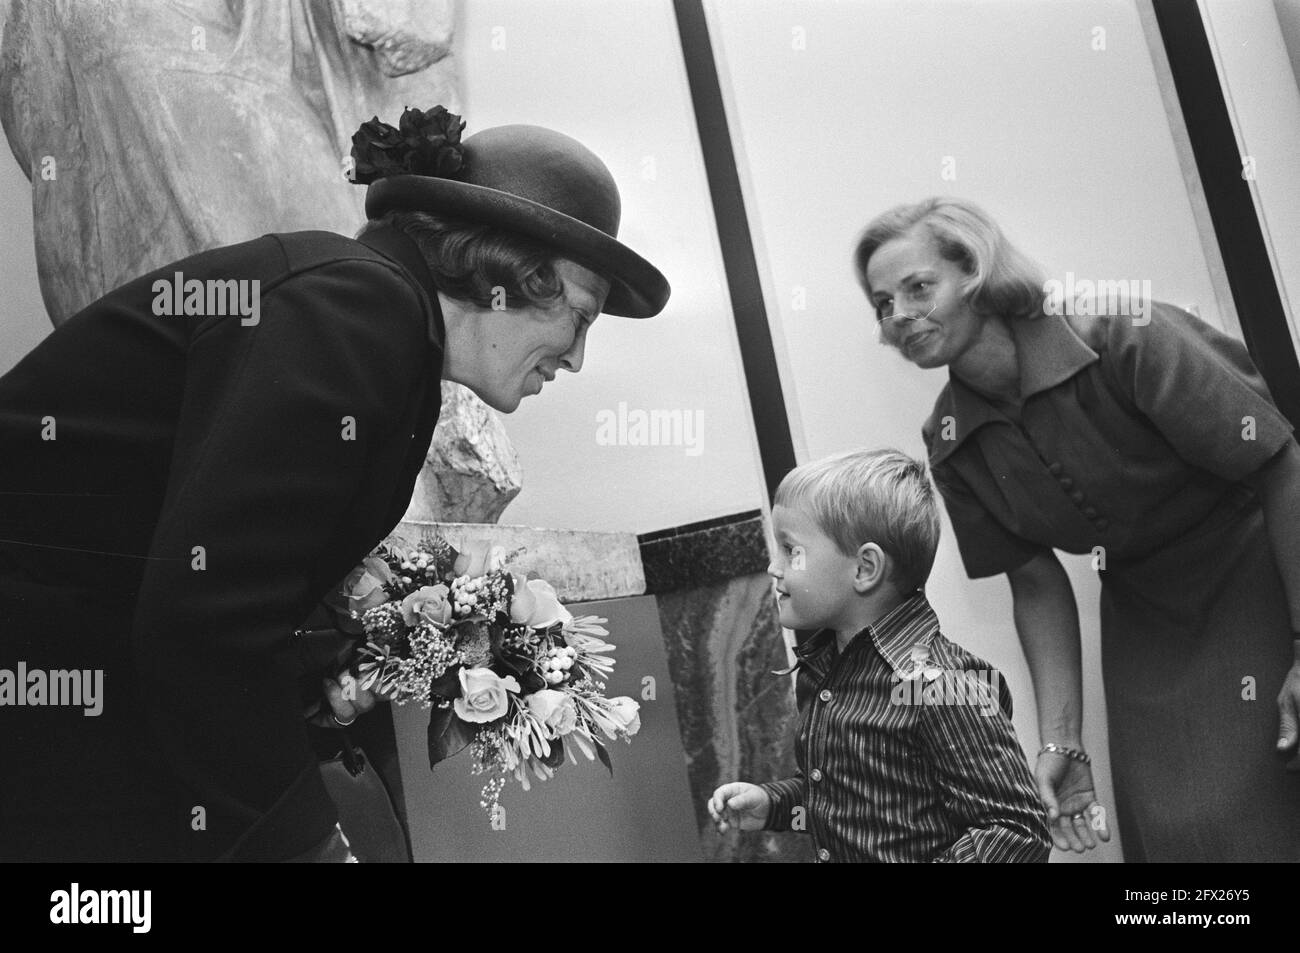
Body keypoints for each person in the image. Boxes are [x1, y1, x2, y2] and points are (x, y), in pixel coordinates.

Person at [0, 105, 669, 861]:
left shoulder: (376, 315)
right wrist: (309, 845)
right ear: (509, 276)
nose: (575, 359)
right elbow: (207, 614)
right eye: (579, 318)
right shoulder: (358, 311)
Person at [854, 196, 1300, 862]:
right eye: (883, 303)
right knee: (1170, 834)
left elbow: (1280, 461)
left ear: (975, 272)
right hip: (1144, 616)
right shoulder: (949, 439)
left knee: (1256, 814)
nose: (900, 315)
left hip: (1259, 567)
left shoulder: (1126, 332)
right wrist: (1061, 742)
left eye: (918, 287)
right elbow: (1035, 584)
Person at [708, 449, 1050, 862]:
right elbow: (846, 792)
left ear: (865, 568)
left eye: (790, 551)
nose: (773, 567)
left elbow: (1018, 832)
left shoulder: (941, 687)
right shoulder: (823, 672)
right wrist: (774, 803)